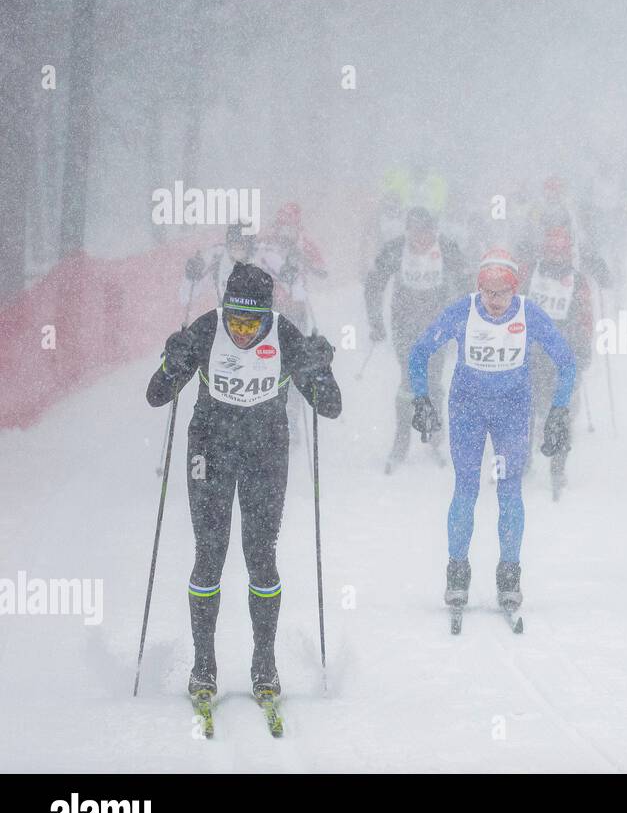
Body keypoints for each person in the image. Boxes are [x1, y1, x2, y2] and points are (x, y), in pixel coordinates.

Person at [145, 263, 341, 703]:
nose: (242, 332)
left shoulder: (286, 336)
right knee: (209, 554)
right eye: (235, 319)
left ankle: (265, 665)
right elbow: (157, 395)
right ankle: (203, 667)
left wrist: (321, 368)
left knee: (261, 557)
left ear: (268, 316)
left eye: (253, 322)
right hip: (209, 451)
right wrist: (172, 359)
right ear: (223, 310)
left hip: (265, 453)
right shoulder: (206, 329)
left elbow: (330, 407)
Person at [407, 249, 576, 624]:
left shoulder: (529, 313)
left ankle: (509, 576)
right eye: (488, 291)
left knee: (508, 490)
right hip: (467, 410)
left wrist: (560, 410)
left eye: (503, 292)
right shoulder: (462, 311)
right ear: (478, 288)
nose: (495, 300)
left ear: (515, 289)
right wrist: (421, 397)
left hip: (512, 414)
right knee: (465, 488)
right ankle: (457, 574)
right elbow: (419, 353)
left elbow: (566, 361)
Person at [364, 206, 468, 472]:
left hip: (437, 323)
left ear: (435, 231)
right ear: (407, 232)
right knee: (410, 378)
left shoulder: (447, 248)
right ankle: (402, 440)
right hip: (404, 324)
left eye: (426, 234)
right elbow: (374, 282)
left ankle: (433, 431)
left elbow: (468, 283)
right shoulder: (396, 248)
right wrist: (375, 322)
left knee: (433, 379)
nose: (420, 241)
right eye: (415, 234)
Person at [519, 224, 594, 498]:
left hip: (562, 353)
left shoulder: (577, 280)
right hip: (530, 351)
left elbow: (585, 317)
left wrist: (583, 350)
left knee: (558, 412)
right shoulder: (529, 272)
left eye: (561, 251)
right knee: (523, 409)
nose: (556, 256)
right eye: (552, 250)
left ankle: (557, 468)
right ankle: (521, 461)